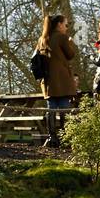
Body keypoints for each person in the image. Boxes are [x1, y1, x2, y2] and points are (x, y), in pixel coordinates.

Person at [35, 14, 77, 148]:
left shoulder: (42, 39)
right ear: (59, 24)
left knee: (51, 110)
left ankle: (52, 137)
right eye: (65, 24)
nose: (66, 27)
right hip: (62, 81)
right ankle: (65, 138)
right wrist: (70, 42)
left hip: (48, 82)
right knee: (64, 109)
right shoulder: (62, 37)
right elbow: (70, 55)